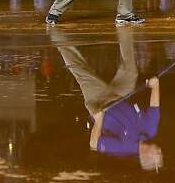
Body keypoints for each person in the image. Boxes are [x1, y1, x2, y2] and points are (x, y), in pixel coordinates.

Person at [51, 26, 164, 171]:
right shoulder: (150, 130)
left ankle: (58, 38)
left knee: (80, 69)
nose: (160, 151)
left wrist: (98, 121)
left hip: (100, 103)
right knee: (131, 71)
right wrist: (155, 86)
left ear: (146, 156)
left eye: (157, 155)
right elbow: (154, 107)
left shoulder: (123, 149)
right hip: (120, 96)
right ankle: (125, 28)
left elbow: (94, 143)